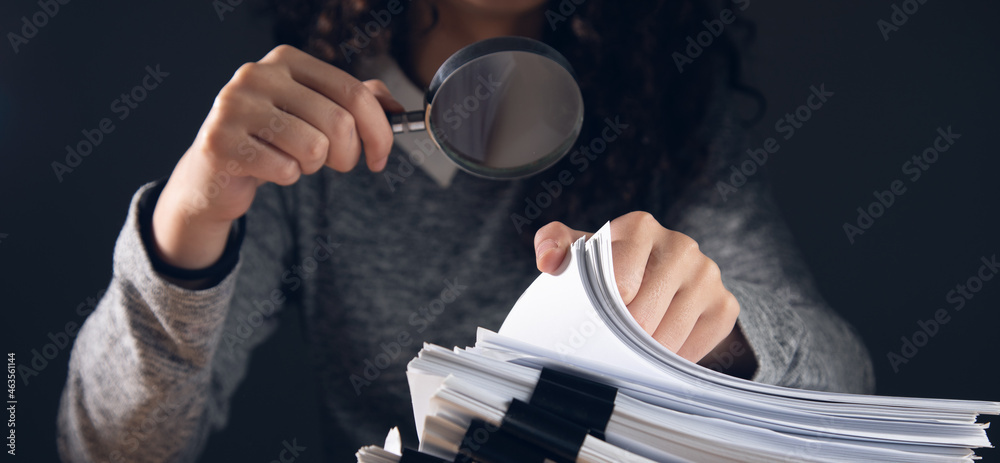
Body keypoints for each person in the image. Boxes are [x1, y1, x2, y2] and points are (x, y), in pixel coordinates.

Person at [57, 0, 875, 461]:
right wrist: (190, 216)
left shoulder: (672, 115)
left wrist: (725, 334)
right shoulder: (295, 134)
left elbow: (846, 392)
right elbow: (105, 450)